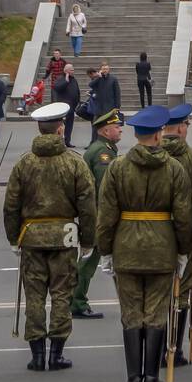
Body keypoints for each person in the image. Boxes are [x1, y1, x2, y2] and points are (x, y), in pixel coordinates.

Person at [98, 104, 192, 382]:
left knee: (130, 313)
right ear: (158, 134)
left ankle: (133, 378)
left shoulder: (117, 167)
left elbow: (106, 215)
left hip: (126, 246)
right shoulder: (174, 169)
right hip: (161, 248)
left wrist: (105, 250)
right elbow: (184, 216)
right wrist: (183, 250)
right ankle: (151, 378)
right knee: (155, 313)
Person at [5, 102, 97, 371]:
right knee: (61, 294)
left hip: (32, 236)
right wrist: (88, 241)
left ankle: (36, 355)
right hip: (65, 236)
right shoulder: (74, 163)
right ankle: (56, 353)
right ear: (60, 129)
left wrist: (13, 238)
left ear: (39, 128)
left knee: (34, 295)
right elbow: (87, 206)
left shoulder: (24, 163)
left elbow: (11, 205)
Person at [160, 104, 192, 366]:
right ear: (180, 127)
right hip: (182, 234)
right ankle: (174, 348)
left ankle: (155, 348)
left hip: (151, 235)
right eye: (186, 124)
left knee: (156, 292)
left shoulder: (147, 153)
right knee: (183, 291)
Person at [75, 109, 123, 321]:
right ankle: (76, 302)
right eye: (116, 126)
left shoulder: (104, 149)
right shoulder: (103, 153)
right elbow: (106, 189)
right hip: (98, 215)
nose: (120, 129)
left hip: (94, 213)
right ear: (105, 130)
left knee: (89, 260)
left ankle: (76, 300)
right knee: (88, 262)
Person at [53, 63, 81, 148]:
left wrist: (77, 101)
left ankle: (67, 141)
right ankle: (59, 141)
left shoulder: (74, 79)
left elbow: (77, 91)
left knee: (69, 125)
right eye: (71, 70)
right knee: (61, 125)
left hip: (72, 107)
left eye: (73, 69)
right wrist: (66, 81)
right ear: (66, 70)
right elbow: (57, 88)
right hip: (63, 107)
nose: (73, 71)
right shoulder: (61, 79)